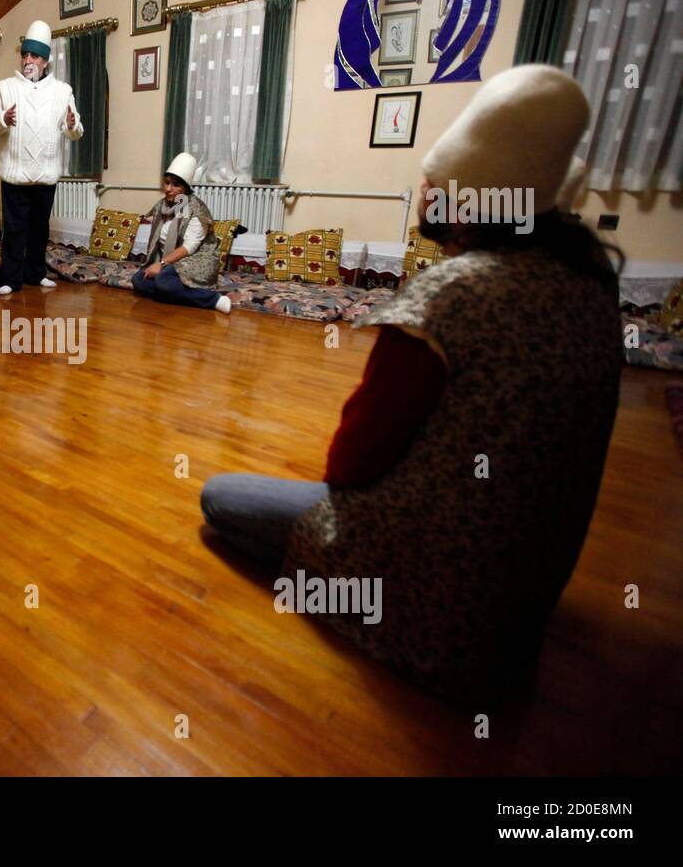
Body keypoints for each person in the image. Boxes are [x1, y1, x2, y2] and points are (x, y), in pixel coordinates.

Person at [200, 65, 623, 703]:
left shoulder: (450, 293)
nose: (421, 187)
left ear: (461, 201)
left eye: (432, 178)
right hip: (523, 599)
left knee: (222, 496)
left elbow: (350, 463)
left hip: (432, 599)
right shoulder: (591, 285)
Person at [0, 19, 83, 295]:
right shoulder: (5, 88)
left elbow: (75, 131)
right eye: (25, 54)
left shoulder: (63, 91)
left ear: (45, 61)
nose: (28, 60)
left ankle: (36, 273)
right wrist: (4, 117)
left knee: (40, 229)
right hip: (15, 174)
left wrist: (72, 124)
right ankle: (10, 279)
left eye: (35, 56)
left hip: (46, 174)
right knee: (13, 230)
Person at [131, 152, 233, 314]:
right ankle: (175, 295)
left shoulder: (196, 209)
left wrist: (161, 264)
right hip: (170, 261)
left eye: (175, 185)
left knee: (164, 283)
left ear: (185, 188)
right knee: (138, 280)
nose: (169, 189)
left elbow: (190, 247)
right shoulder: (162, 206)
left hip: (195, 261)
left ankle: (213, 300)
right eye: (167, 183)